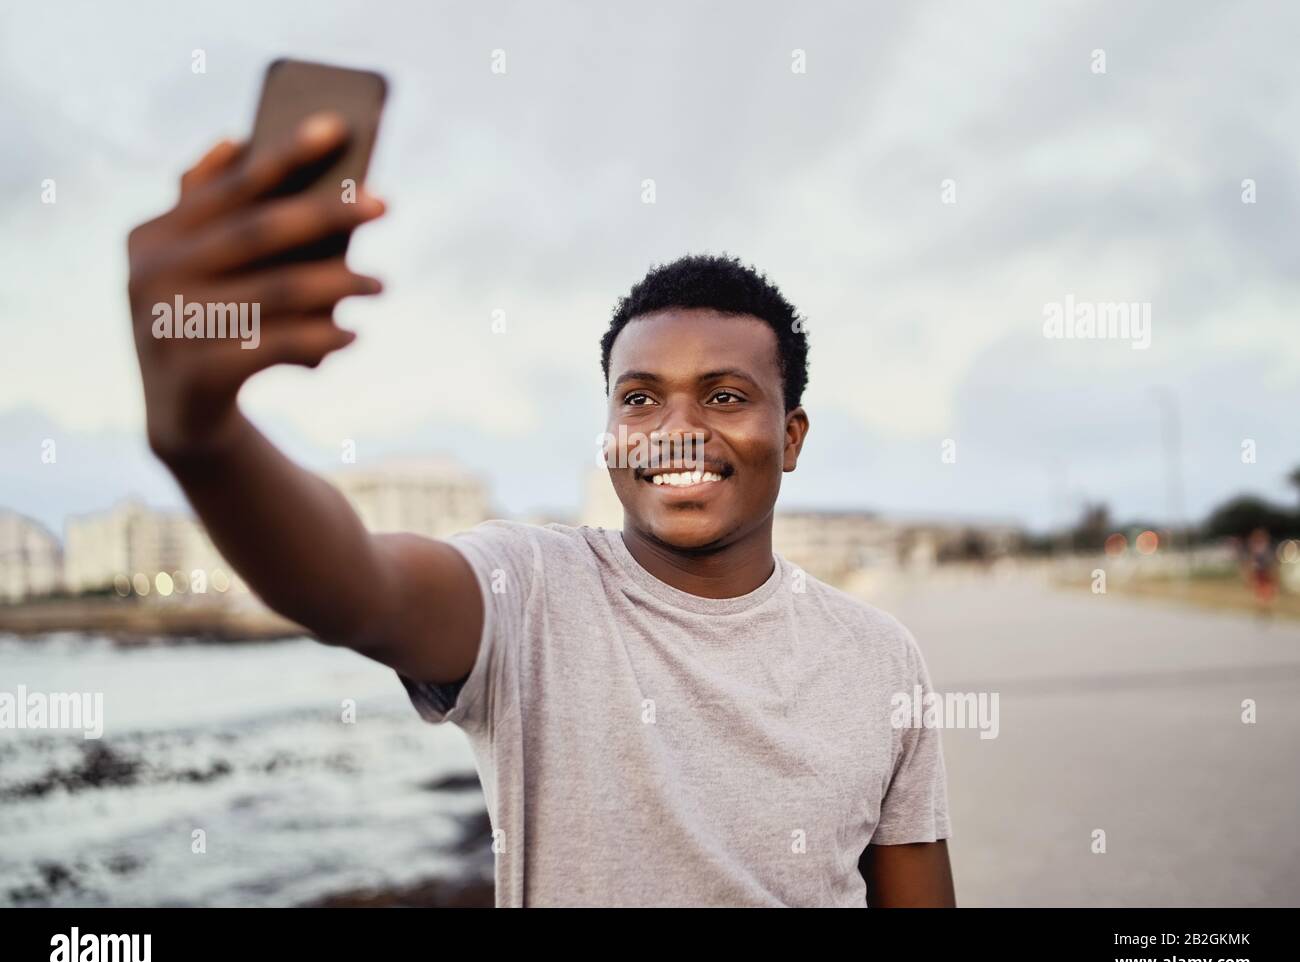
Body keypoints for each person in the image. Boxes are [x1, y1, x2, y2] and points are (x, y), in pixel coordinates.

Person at [126, 113, 955, 907]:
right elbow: (357, 586)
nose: (675, 431)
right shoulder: (531, 590)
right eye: (639, 398)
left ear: (793, 434)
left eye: (726, 395)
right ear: (608, 431)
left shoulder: (880, 659)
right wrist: (202, 437)